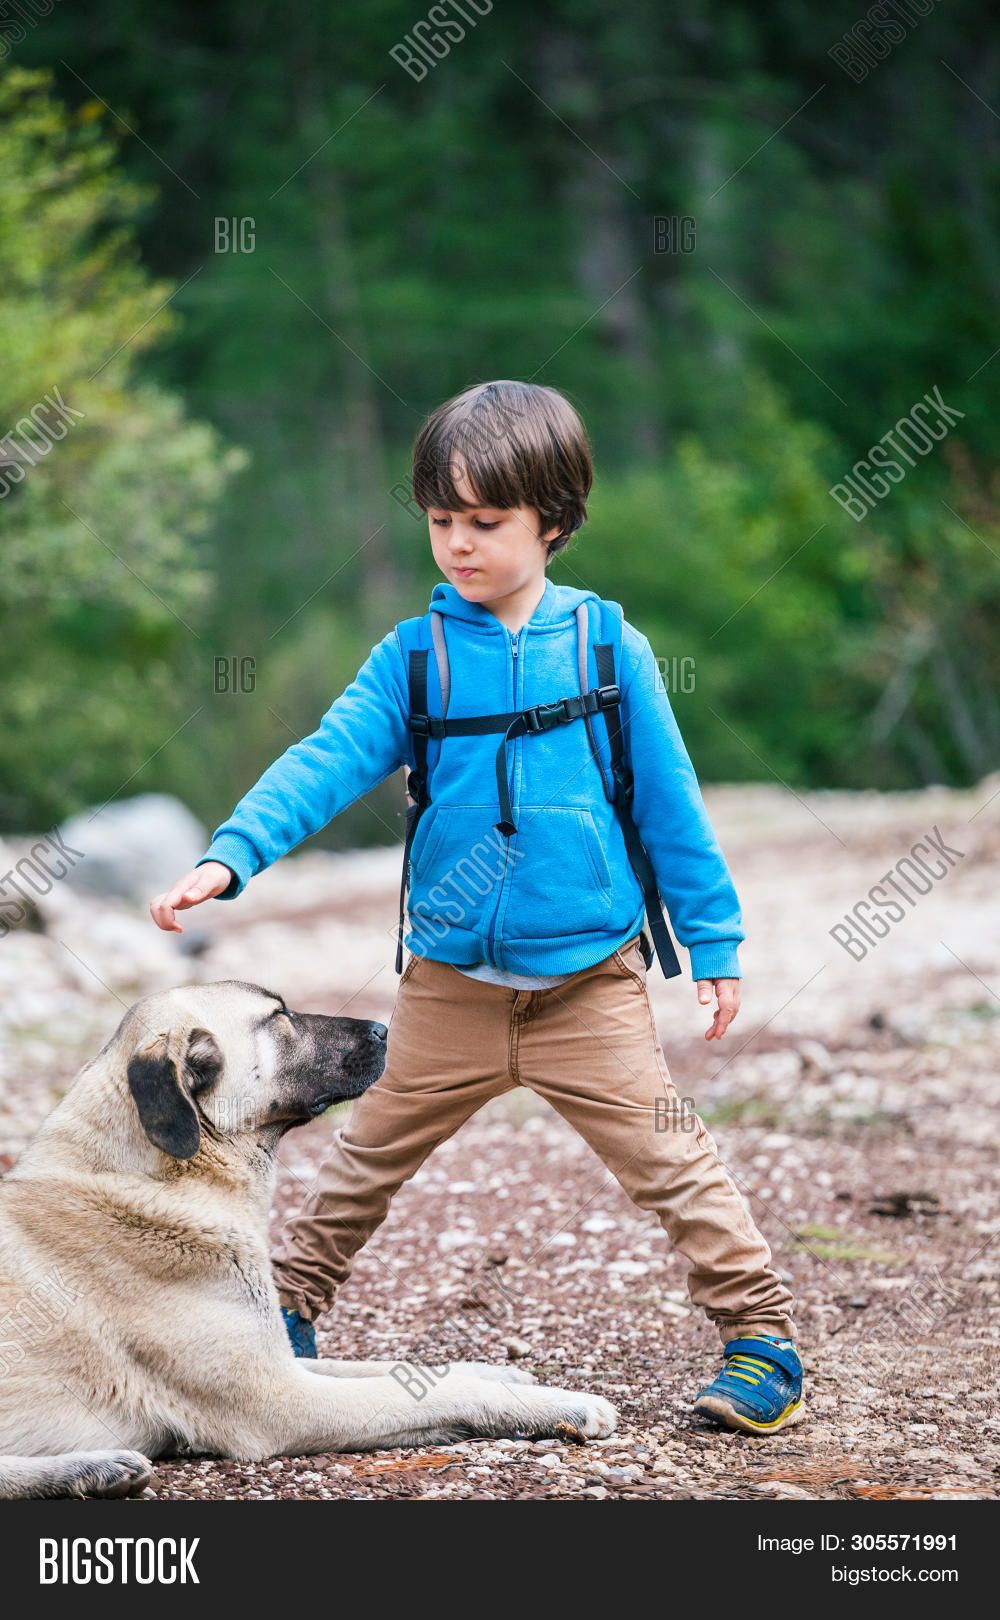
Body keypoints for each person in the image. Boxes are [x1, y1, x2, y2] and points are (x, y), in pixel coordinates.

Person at [150, 379, 804, 1434]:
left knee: (672, 1159)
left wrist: (715, 940)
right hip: (450, 987)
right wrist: (232, 855)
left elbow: (672, 806)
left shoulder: (606, 649)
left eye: (486, 522)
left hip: (588, 985)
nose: (458, 543)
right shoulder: (414, 660)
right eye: (440, 520)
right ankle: (286, 1320)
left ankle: (760, 1339)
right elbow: (323, 761)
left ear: (555, 519)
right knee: (363, 1163)